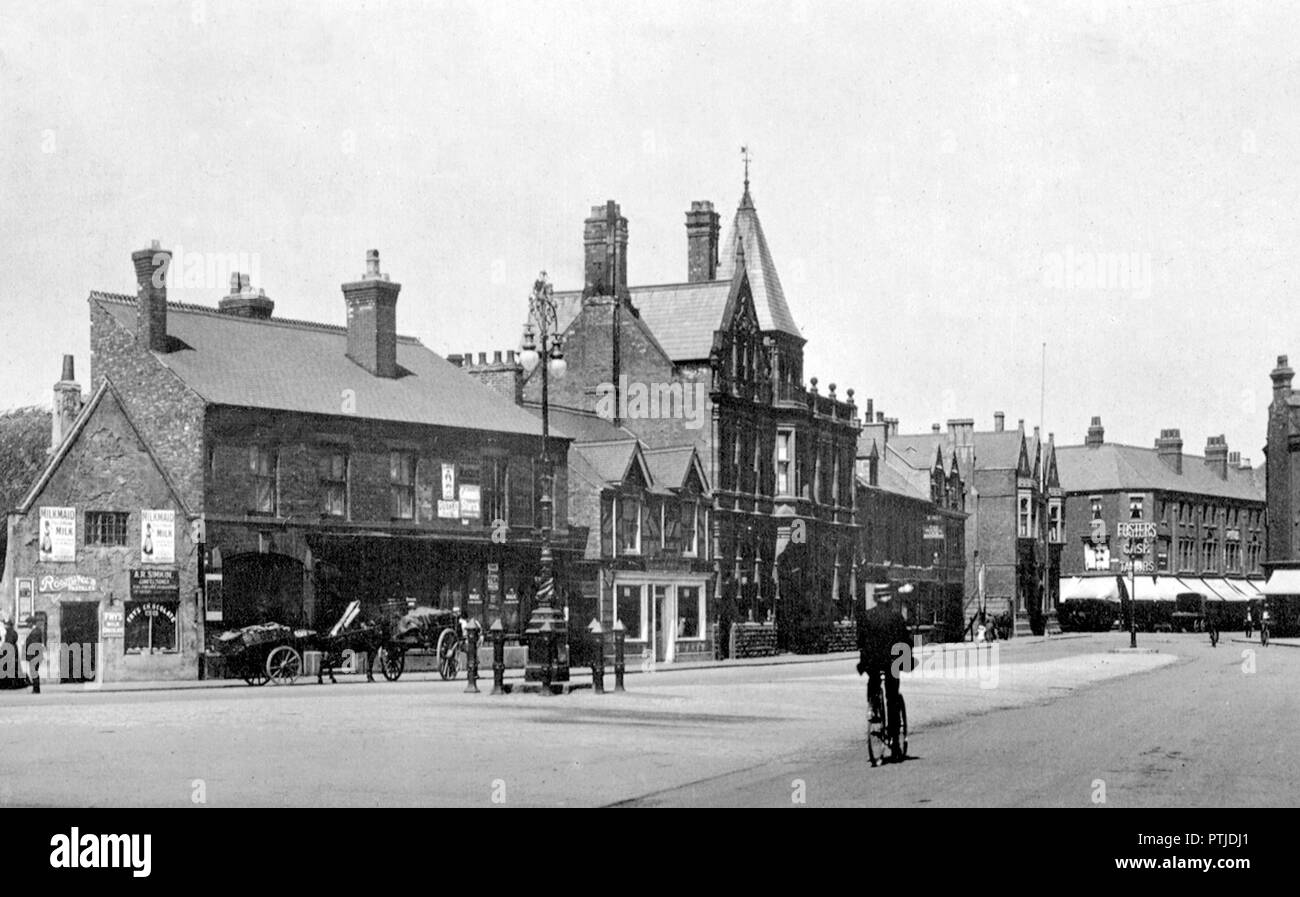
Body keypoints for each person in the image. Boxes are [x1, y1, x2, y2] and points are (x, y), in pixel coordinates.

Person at [856, 584, 912, 759]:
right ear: (889, 598)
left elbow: (861, 642)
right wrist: (906, 662)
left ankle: (873, 707)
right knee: (893, 698)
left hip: (873, 662)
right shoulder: (897, 617)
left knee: (873, 683)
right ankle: (895, 743)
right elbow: (905, 642)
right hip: (892, 663)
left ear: (875, 598)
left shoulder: (867, 616)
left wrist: (864, 660)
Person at [25, 616, 46, 694]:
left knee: (34, 671)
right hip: (35, 655)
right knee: (34, 671)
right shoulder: (35, 631)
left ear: (31, 623)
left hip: (34, 656)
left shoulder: (35, 632)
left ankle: (36, 689)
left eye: (28, 623)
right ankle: (36, 688)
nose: (27, 625)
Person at [1, 619, 19, 689]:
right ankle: (11, 684)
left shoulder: (9, 632)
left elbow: (9, 642)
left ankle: (10, 685)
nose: (5, 626)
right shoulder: (13, 632)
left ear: (9, 625)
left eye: (6, 624)